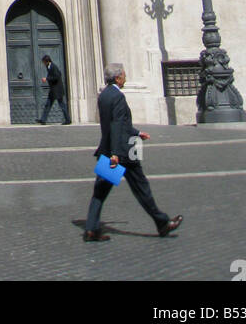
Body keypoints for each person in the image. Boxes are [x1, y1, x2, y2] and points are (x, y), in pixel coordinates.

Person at [83, 63, 183, 243]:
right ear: (118, 77)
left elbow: (116, 123)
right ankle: (162, 223)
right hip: (123, 153)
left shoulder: (104, 95)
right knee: (141, 188)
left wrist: (137, 133)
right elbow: (117, 125)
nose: (126, 78)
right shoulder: (118, 97)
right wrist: (116, 153)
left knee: (100, 191)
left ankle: (91, 229)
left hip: (109, 150)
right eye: (124, 75)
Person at [38, 54, 70, 124]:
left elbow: (57, 76)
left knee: (62, 105)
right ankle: (43, 120)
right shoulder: (49, 66)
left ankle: (68, 120)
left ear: (46, 61)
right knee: (48, 104)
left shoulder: (53, 66)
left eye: (43, 62)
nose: (43, 63)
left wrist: (46, 79)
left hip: (57, 90)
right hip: (53, 90)